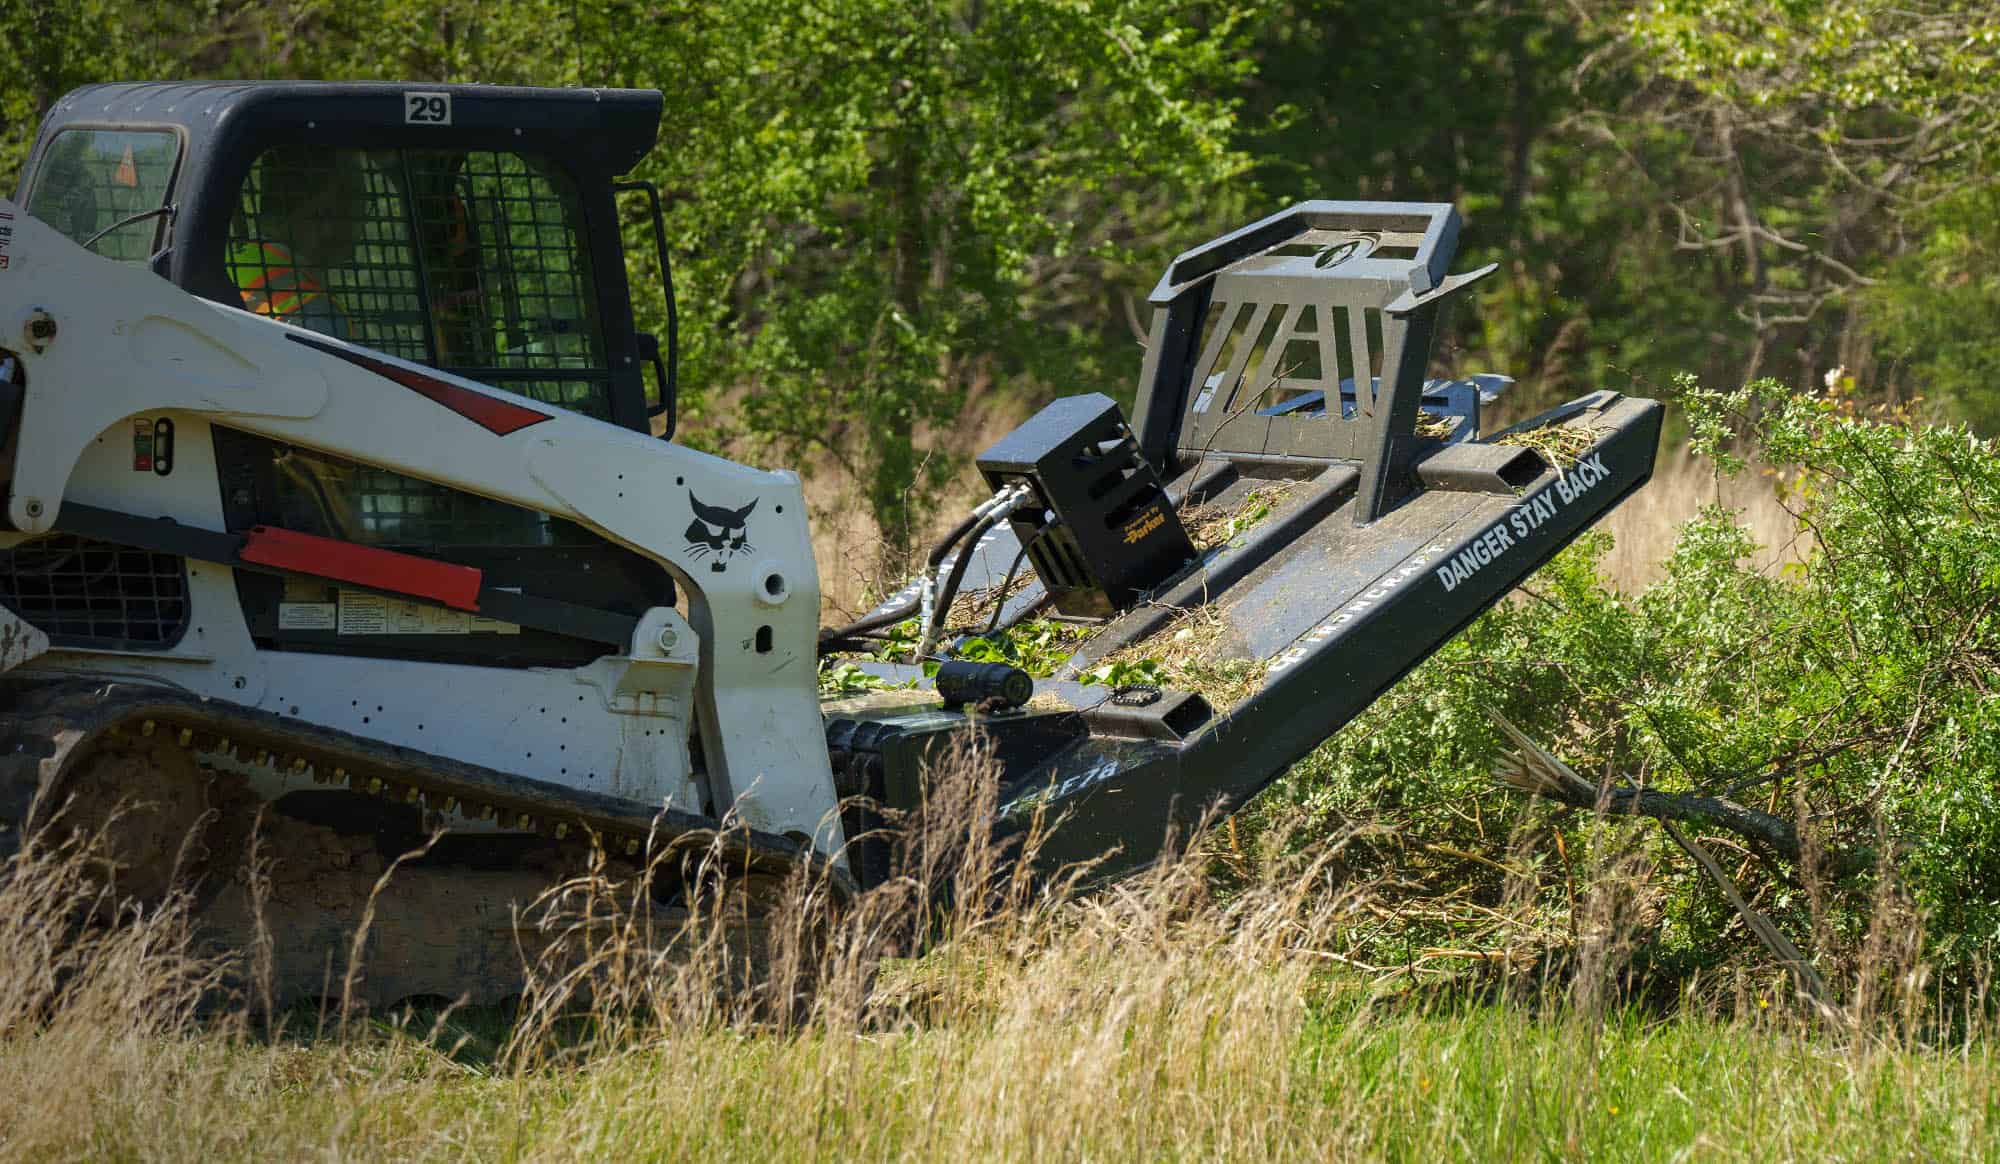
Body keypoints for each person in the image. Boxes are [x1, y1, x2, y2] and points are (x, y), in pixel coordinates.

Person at [226, 147, 368, 338]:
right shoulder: (317, 314)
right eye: (356, 208)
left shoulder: (227, 263)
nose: (360, 224)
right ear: (325, 212)